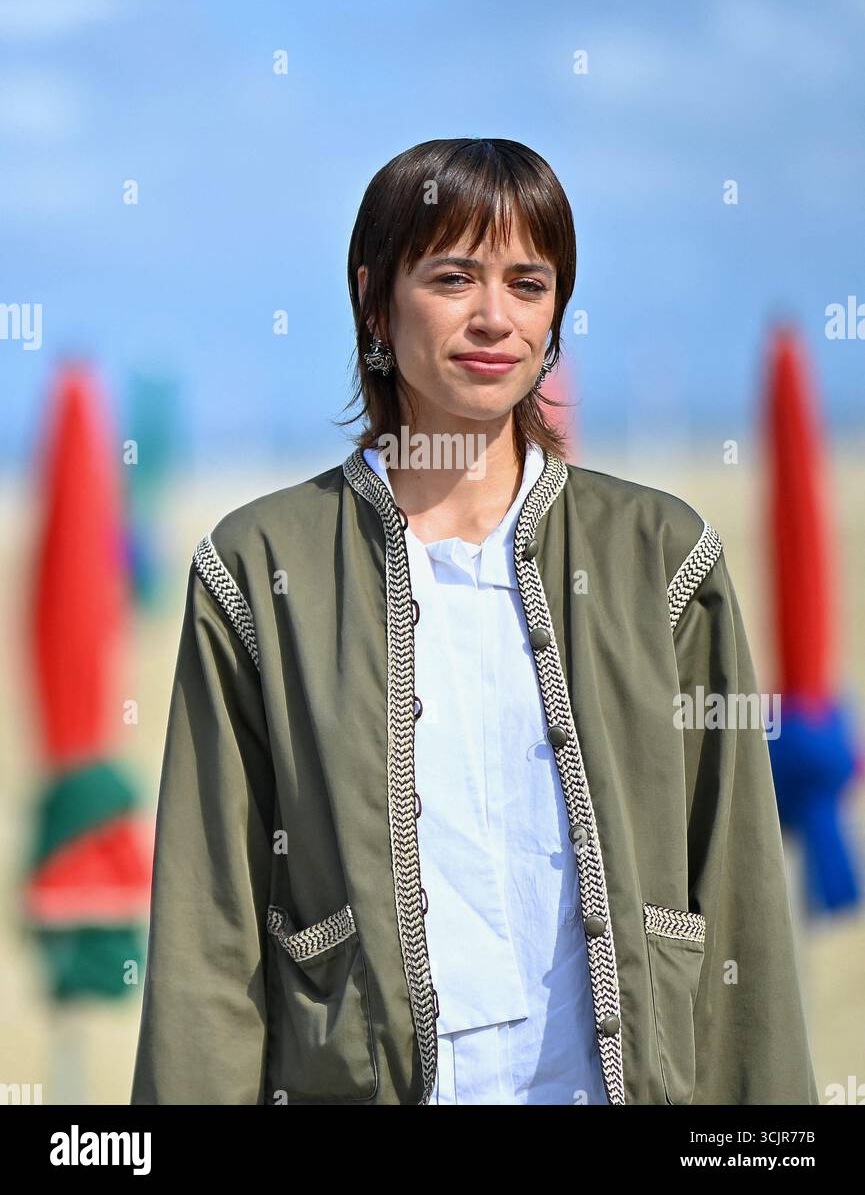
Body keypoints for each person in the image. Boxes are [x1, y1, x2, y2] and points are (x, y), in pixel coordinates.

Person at [130, 137, 819, 1105]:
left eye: (528, 283)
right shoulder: (258, 566)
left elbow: (737, 884)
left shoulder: (662, 554)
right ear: (375, 299)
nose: (494, 317)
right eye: (453, 276)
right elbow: (210, 928)